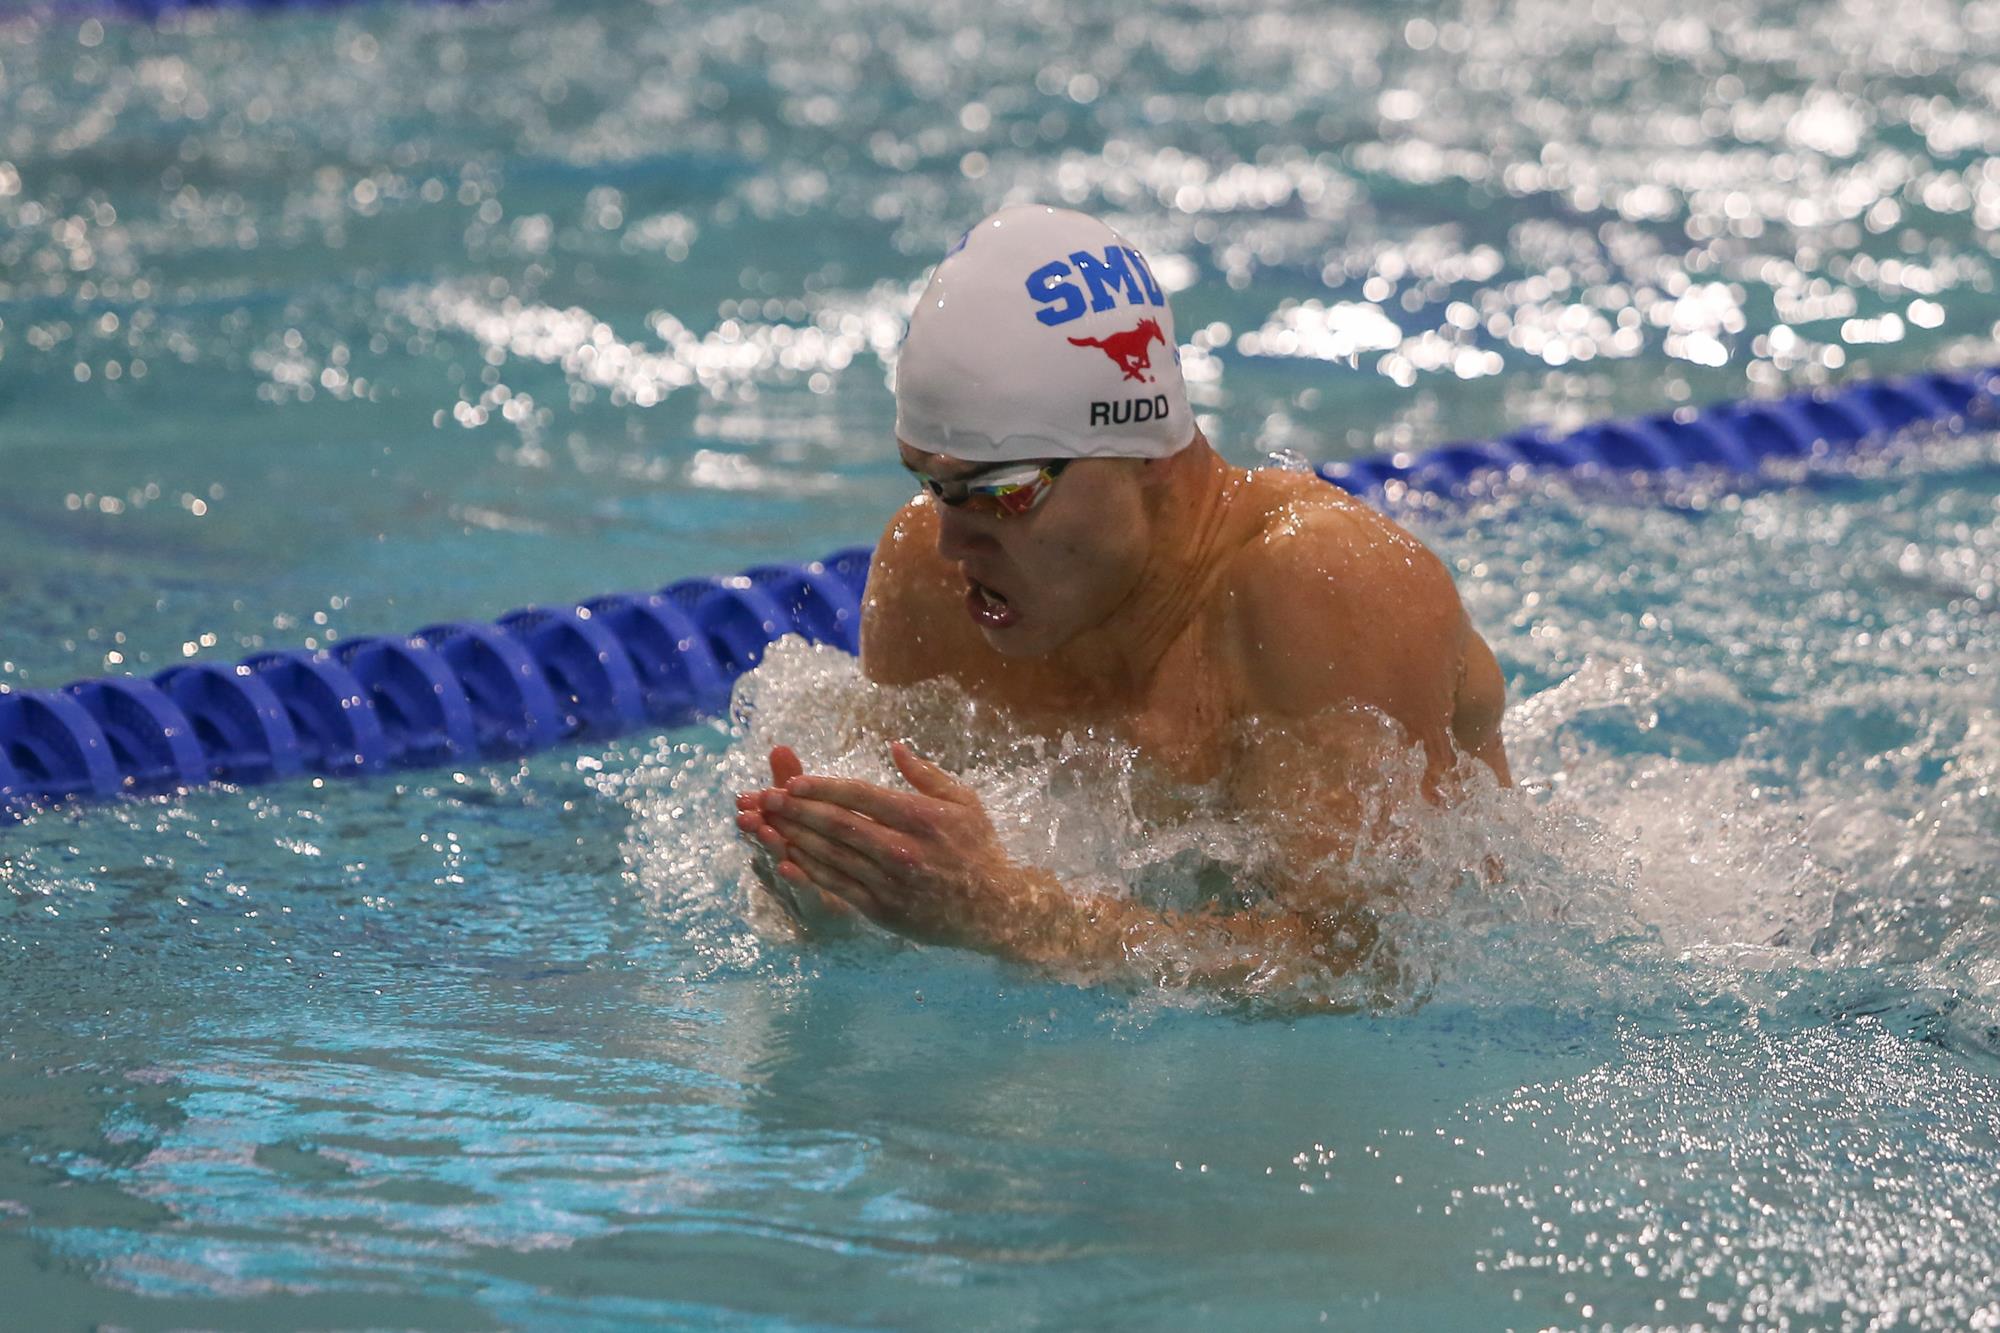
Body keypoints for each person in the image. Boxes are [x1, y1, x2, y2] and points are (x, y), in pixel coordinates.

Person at [735, 203, 1510, 1000]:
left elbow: (1370, 968)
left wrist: (1017, 919)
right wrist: (841, 906)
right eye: (932, 486)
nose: (951, 544)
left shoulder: (1320, 588)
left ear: (1145, 453)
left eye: (998, 493)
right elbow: (935, 917)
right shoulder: (929, 588)